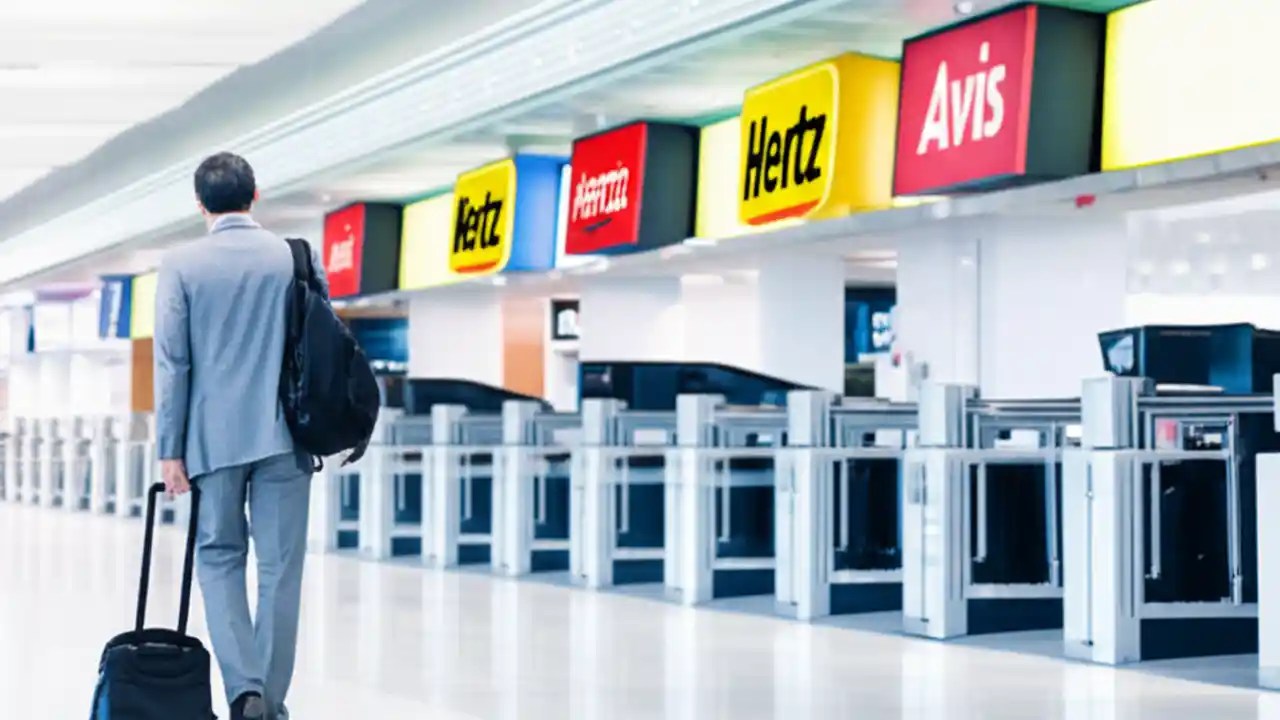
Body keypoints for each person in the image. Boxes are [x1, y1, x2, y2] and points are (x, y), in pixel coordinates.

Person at [154, 152, 327, 720]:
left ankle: (243, 689)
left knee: (219, 558)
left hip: (212, 442)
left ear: (200, 204)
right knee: (280, 568)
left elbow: (173, 363)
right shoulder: (293, 256)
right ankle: (270, 702)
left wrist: (170, 451)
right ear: (257, 196)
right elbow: (322, 344)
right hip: (287, 437)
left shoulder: (181, 265)